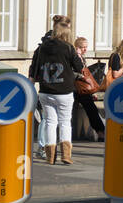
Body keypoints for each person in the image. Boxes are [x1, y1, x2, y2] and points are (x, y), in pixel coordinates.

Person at [28, 15, 84, 165]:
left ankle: (50, 156)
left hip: (46, 91)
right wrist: (77, 56)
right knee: (65, 122)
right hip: (64, 91)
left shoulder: (41, 48)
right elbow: (79, 67)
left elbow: (33, 69)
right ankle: (66, 155)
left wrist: (30, 86)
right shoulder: (68, 48)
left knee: (50, 122)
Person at [72, 36, 105, 142]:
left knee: (92, 110)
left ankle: (100, 132)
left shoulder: (82, 57)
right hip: (75, 88)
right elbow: (75, 71)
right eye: (82, 47)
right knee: (89, 109)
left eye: (86, 47)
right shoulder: (74, 57)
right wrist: (77, 55)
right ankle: (100, 132)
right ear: (77, 47)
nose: (85, 49)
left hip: (82, 89)